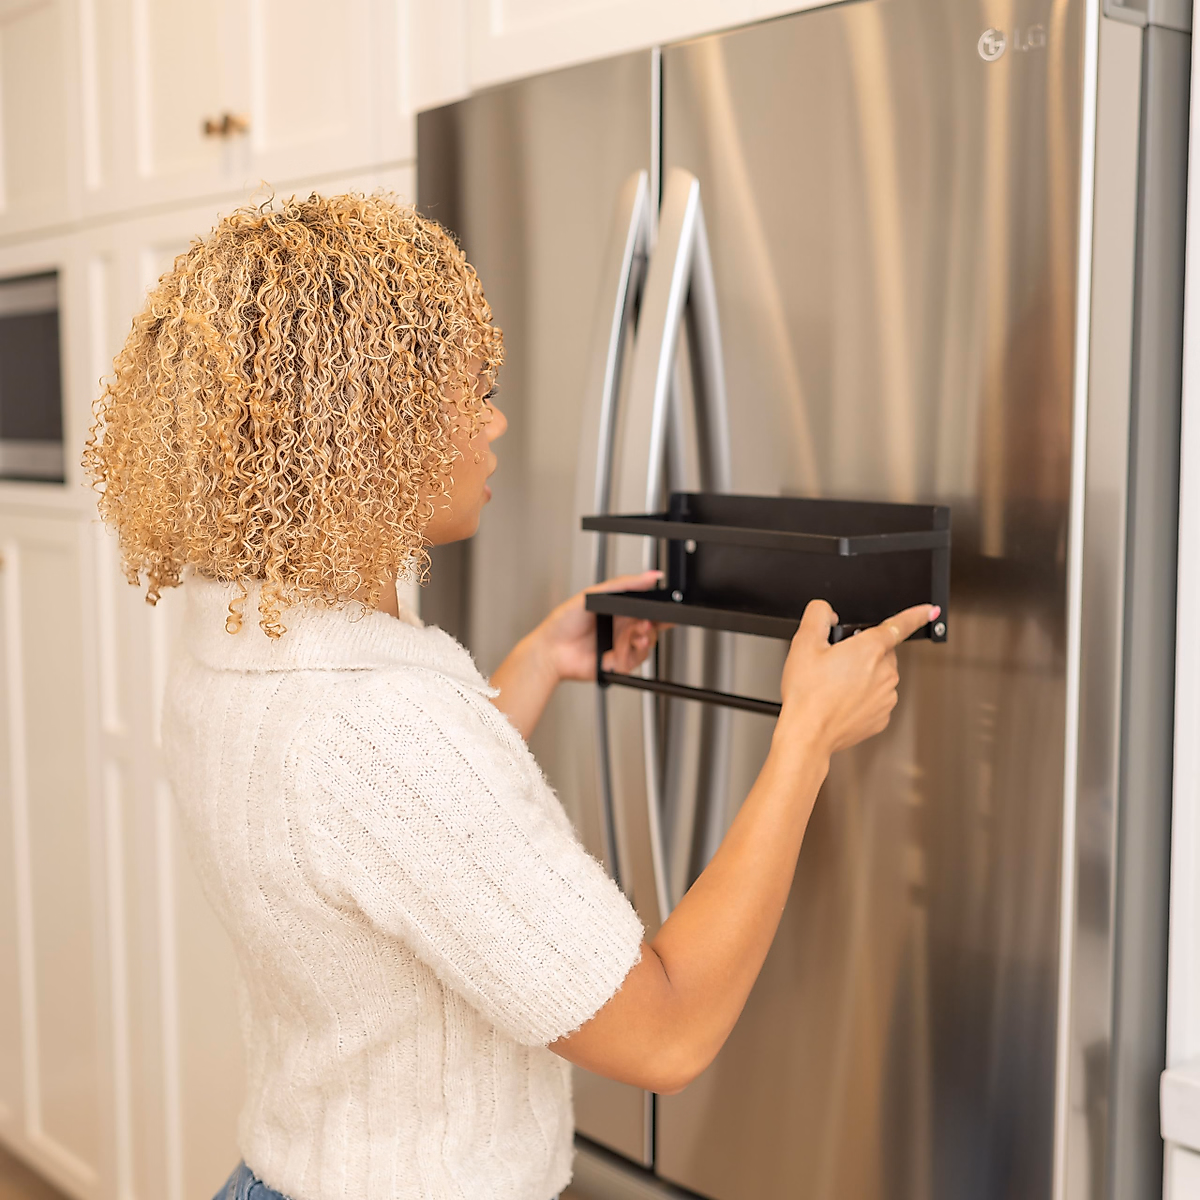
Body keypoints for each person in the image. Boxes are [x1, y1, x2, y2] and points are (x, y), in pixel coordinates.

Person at [84, 192, 937, 1200]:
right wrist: (806, 742)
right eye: (467, 392)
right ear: (370, 431)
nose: (495, 421)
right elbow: (664, 1034)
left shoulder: (236, 641)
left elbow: (382, 854)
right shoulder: (381, 726)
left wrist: (530, 668)